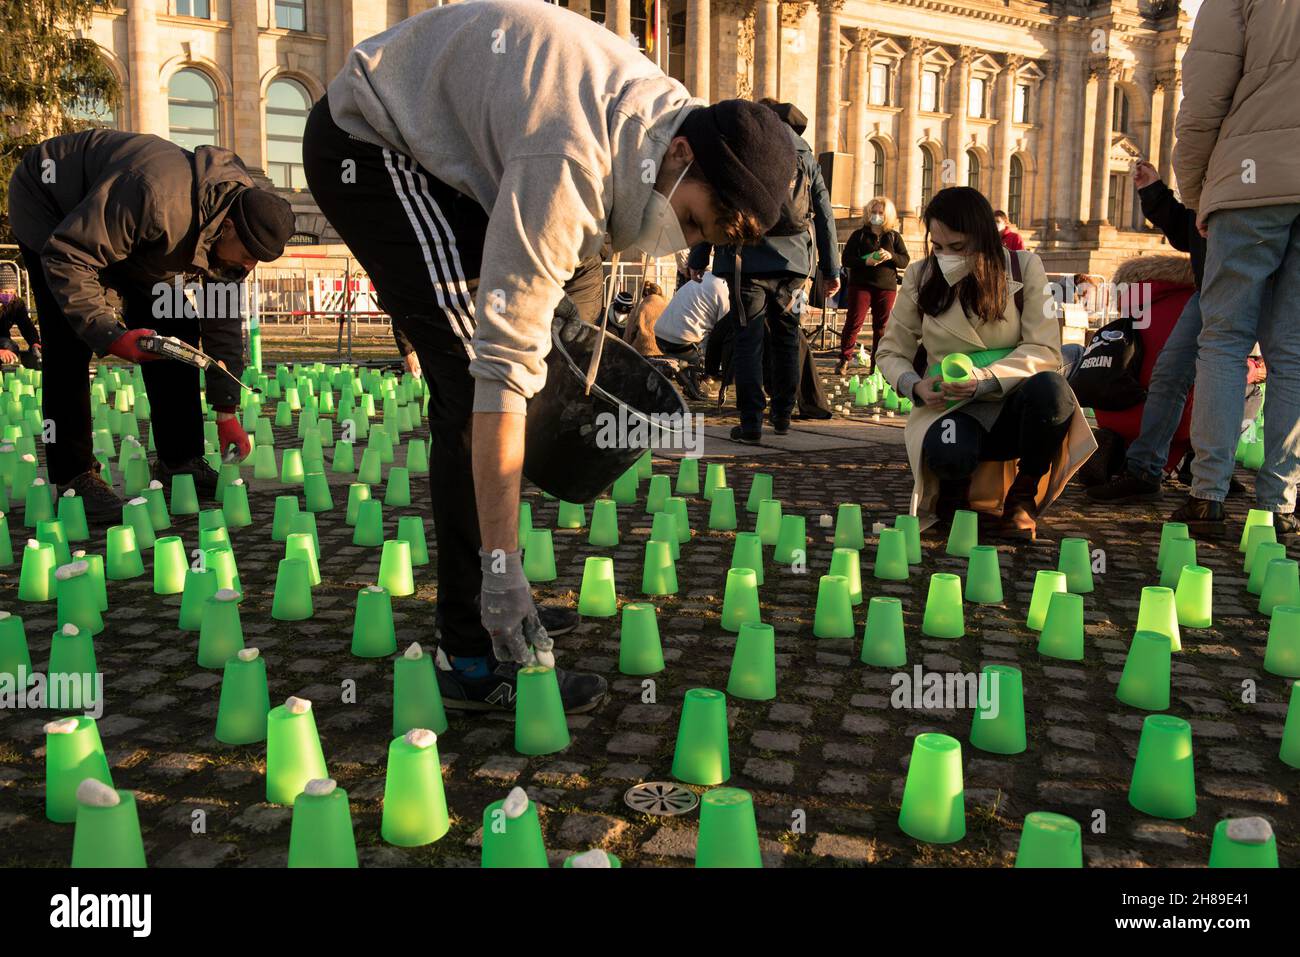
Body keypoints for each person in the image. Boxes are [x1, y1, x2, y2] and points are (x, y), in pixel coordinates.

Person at [303, 1, 797, 714]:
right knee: (469, 381)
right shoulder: (570, 162)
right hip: (373, 142)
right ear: (682, 156)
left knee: (541, 368)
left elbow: (573, 316)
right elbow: (502, 366)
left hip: (474, 154)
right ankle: (474, 642)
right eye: (688, 220)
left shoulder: (665, 133)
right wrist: (503, 567)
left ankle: (495, 589)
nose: (677, 238)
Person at [7, 128, 292, 523]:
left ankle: (180, 461)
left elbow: (221, 319)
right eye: (245, 256)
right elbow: (69, 254)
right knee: (69, 341)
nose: (246, 268)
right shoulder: (157, 197)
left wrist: (227, 410)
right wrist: (113, 335)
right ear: (226, 228)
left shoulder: (234, 220)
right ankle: (73, 477)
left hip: (134, 235)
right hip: (52, 205)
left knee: (176, 333)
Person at [875, 187, 1096, 540]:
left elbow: (1044, 349)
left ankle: (1023, 497)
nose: (946, 256)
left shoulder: (1025, 266)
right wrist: (913, 385)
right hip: (953, 408)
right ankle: (953, 494)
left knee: (1054, 392)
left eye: (958, 247)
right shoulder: (920, 275)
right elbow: (890, 352)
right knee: (948, 451)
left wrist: (985, 379)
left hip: (1013, 405)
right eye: (938, 246)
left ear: (983, 238)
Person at [1170, 0, 1300, 539]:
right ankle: (1280, 503)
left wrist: (1198, 190)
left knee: (1223, 340)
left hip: (1250, 181)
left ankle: (1208, 495)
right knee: (1293, 349)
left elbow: (1204, 97)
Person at [687, 98, 840, 444]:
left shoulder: (744, 147)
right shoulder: (806, 156)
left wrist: (699, 256)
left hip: (747, 262)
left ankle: (751, 421)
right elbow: (825, 213)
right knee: (788, 335)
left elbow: (718, 202)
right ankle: (783, 415)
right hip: (796, 267)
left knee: (748, 338)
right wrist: (832, 269)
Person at [836, 196, 909, 375]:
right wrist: (865, 262)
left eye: (880, 213)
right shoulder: (858, 235)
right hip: (861, 284)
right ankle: (845, 359)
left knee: (882, 327)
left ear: (887, 215)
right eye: (873, 212)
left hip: (886, 286)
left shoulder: (893, 236)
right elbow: (846, 259)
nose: (876, 216)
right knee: (854, 322)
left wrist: (891, 256)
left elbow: (904, 260)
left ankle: (877, 364)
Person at [654, 269, 729, 359]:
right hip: (683, 345)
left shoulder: (705, 276)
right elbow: (723, 331)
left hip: (659, 337)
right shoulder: (727, 288)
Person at [0, 264, 41, 368]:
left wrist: (35, 342)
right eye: (4, 292)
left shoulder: (16, 303)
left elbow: (26, 325)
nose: (8, 295)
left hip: (3, 339)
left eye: (12, 292)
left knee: (11, 347)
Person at [623, 282, 667, 356]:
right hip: (665, 351)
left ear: (643, 295)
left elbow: (628, 334)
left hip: (642, 352)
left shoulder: (639, 308)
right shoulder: (668, 307)